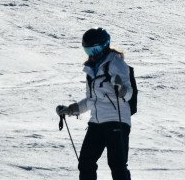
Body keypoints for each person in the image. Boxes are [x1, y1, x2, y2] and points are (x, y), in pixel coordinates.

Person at [56, 28, 133, 180]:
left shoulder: (116, 63)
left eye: (95, 49)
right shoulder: (91, 70)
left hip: (116, 120)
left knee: (117, 164)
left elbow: (128, 94)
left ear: (104, 46)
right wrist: (71, 110)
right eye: (88, 50)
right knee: (85, 162)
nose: (92, 54)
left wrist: (120, 89)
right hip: (96, 122)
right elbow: (92, 101)